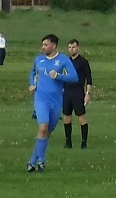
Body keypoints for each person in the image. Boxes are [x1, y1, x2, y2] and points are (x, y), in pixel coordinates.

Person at [27, 33, 78, 172]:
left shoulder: (62, 60)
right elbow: (32, 73)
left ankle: (32, 161)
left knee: (46, 134)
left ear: (53, 46)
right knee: (42, 128)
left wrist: (59, 76)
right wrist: (32, 84)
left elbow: (74, 77)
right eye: (42, 45)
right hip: (40, 98)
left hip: (56, 102)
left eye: (46, 45)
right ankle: (42, 162)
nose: (43, 47)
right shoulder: (39, 60)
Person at [61, 38, 93, 148]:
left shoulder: (83, 62)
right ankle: (68, 142)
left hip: (78, 92)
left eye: (73, 47)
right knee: (66, 117)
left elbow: (89, 79)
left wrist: (87, 94)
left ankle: (84, 142)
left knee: (81, 117)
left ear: (77, 48)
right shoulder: (66, 62)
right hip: (67, 92)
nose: (71, 49)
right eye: (69, 47)